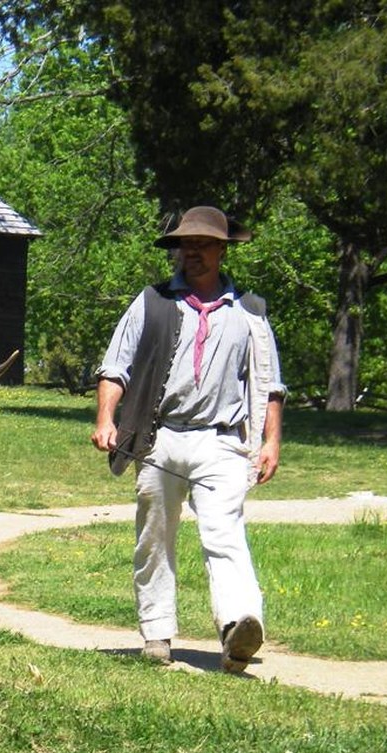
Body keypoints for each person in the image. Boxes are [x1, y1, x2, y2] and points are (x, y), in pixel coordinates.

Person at [90, 206, 285, 673]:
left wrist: (270, 442)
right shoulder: (152, 302)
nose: (191, 253)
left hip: (222, 442)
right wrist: (105, 419)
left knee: (225, 531)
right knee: (155, 536)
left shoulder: (250, 312)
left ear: (222, 250)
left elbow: (270, 385)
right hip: (160, 438)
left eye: (202, 245)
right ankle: (157, 632)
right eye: (185, 244)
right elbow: (115, 367)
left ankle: (238, 627)